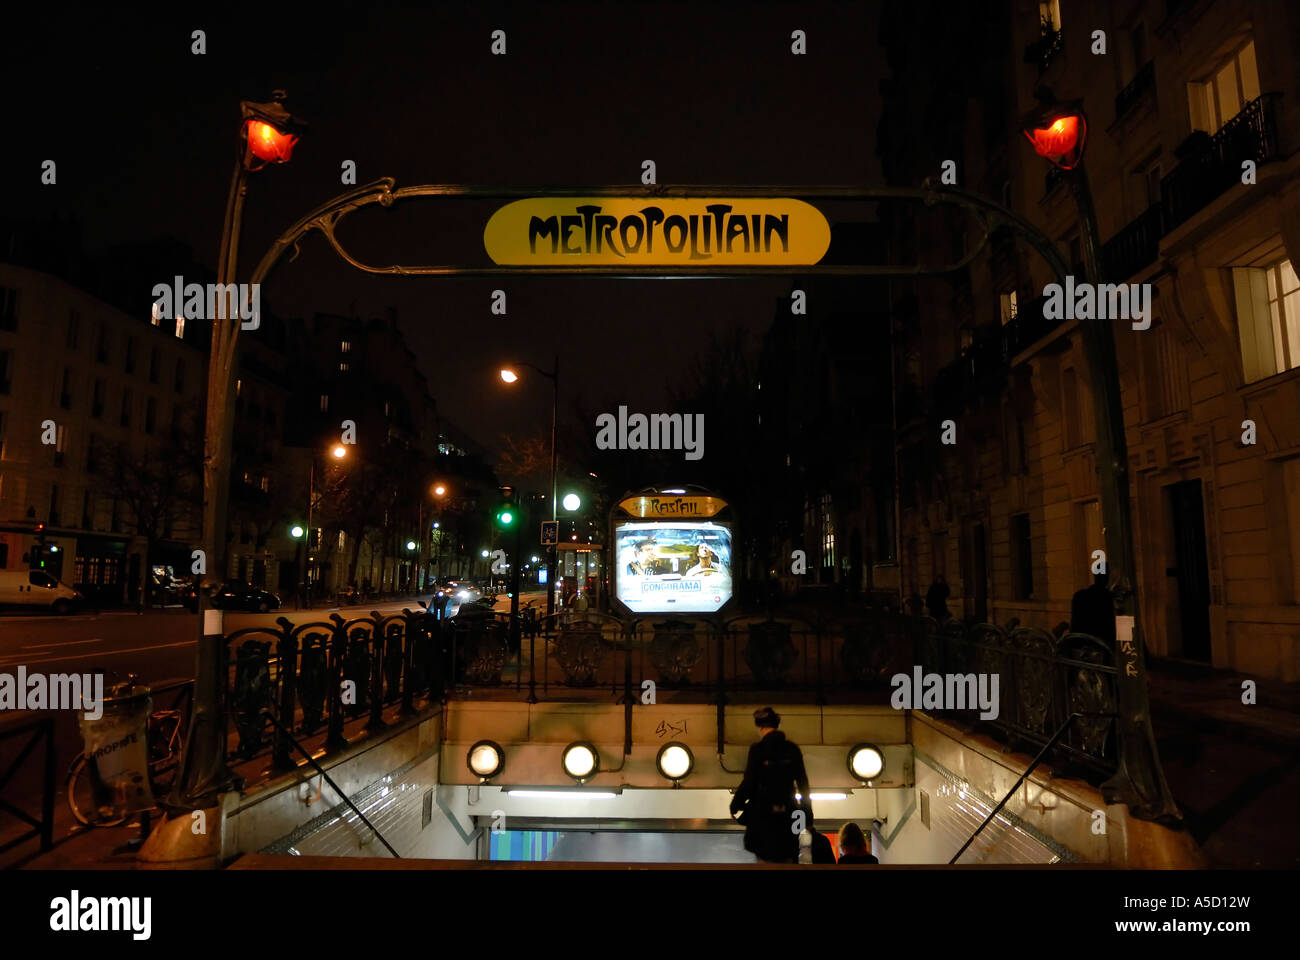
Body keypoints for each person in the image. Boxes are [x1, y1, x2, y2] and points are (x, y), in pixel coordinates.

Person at [729, 707, 814, 864]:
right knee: (788, 853)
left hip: (762, 816)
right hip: (787, 813)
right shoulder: (792, 749)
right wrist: (807, 816)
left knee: (763, 856)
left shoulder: (758, 750)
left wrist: (735, 806)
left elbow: (749, 781)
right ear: (777, 725)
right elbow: (803, 785)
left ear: (760, 727)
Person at [1070, 571, 1116, 645]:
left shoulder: (1079, 595)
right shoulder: (1109, 597)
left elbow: (1074, 623)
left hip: (1081, 643)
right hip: (1102, 644)